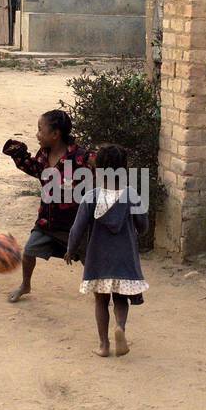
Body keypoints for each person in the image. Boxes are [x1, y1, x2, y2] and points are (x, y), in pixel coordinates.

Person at [65, 144, 148, 357]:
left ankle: (103, 345)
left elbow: (77, 229)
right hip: (124, 258)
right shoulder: (132, 195)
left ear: (97, 169)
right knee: (120, 299)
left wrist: (70, 250)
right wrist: (137, 230)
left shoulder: (91, 196)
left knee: (101, 300)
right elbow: (143, 225)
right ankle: (120, 327)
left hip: (98, 259)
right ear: (125, 169)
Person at [3, 109, 92, 303]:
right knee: (29, 251)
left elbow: (98, 169)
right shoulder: (43, 155)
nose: (37, 135)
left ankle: (100, 292)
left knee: (90, 260)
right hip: (48, 220)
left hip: (74, 223)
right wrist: (18, 155)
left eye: (40, 130)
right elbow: (35, 169)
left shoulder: (79, 157)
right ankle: (25, 285)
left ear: (55, 134)